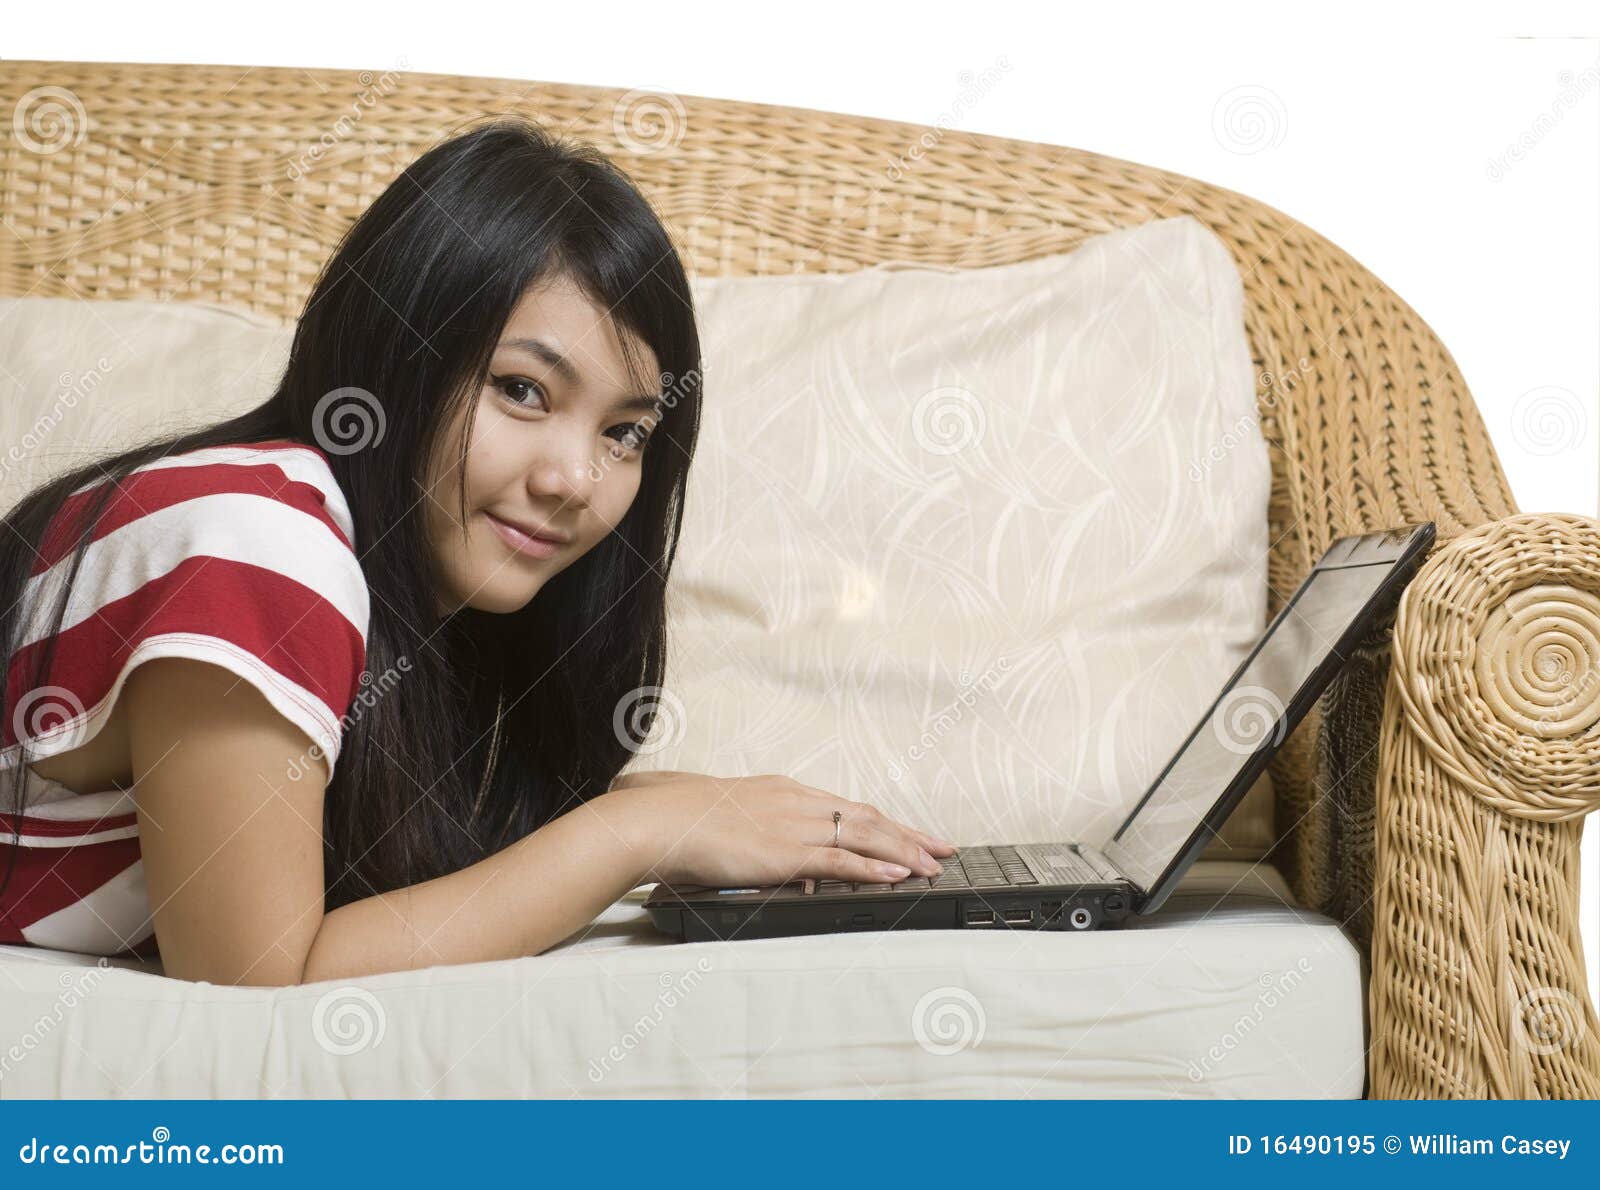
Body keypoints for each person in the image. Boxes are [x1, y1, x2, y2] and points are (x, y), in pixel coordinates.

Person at [0, 115, 953, 987]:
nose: (576, 479)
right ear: (394, 355)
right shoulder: (262, 544)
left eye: (625, 433)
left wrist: (677, 817)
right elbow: (256, 985)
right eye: (524, 391)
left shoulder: (372, 591)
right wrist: (633, 832)